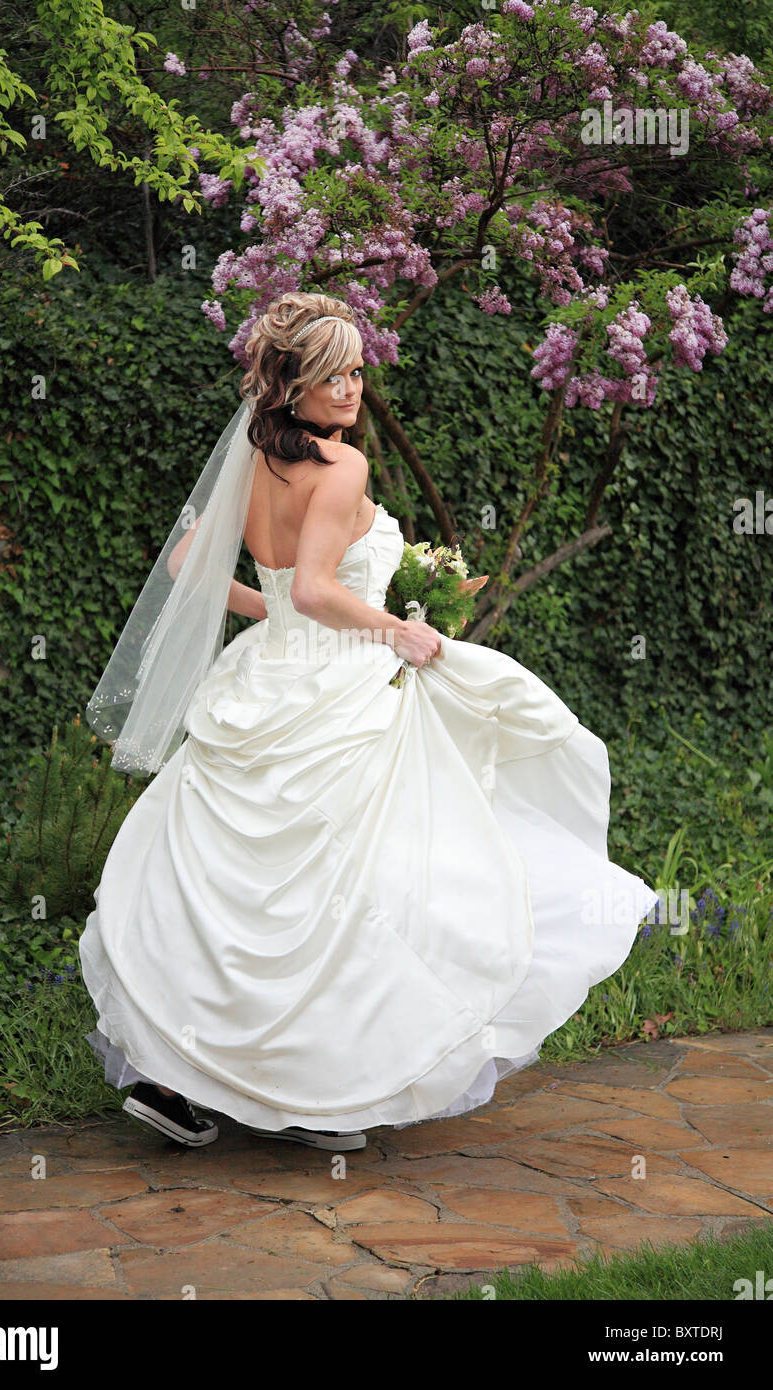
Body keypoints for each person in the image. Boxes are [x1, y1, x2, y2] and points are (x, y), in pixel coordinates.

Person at [79, 290, 659, 1154]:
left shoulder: (250, 455)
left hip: (268, 681)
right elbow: (316, 590)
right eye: (331, 374)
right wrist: (396, 627)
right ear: (292, 383)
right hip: (335, 685)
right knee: (359, 887)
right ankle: (318, 1091)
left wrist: (274, 611)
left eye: (355, 371)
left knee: (256, 892)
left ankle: (227, 1083)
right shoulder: (339, 467)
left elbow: (189, 565)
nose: (351, 389)